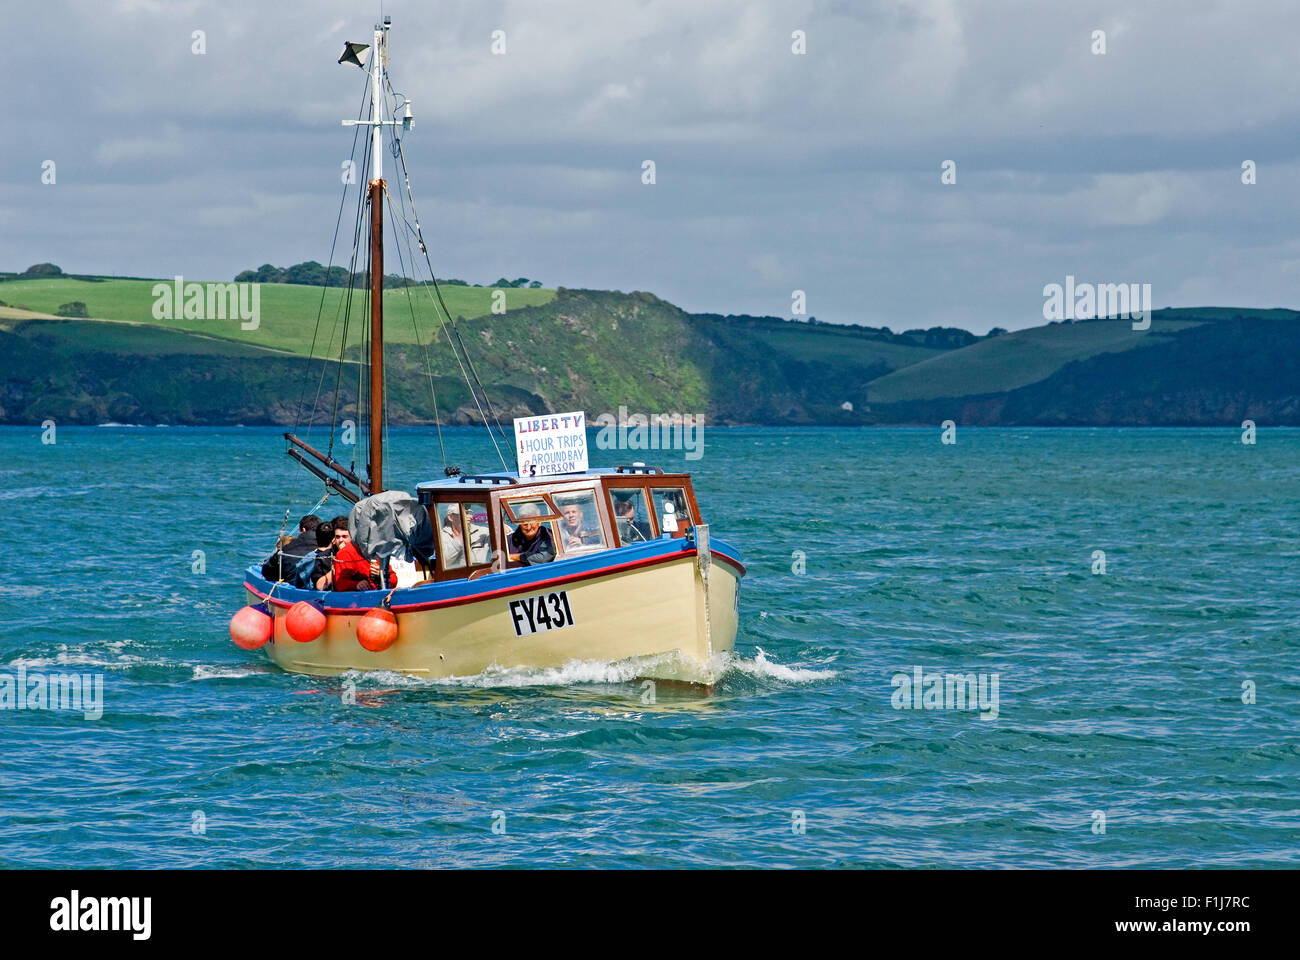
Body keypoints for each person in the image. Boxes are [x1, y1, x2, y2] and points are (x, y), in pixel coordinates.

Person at [317, 515, 385, 591]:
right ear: (334, 539)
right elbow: (322, 586)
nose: (341, 540)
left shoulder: (374, 550)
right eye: (338, 537)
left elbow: (393, 579)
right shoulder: (326, 556)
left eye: (344, 536)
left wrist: (381, 573)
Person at [261, 515, 321, 581]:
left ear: (303, 530)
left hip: (294, 585)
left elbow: (267, 572)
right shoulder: (327, 547)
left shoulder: (287, 548)